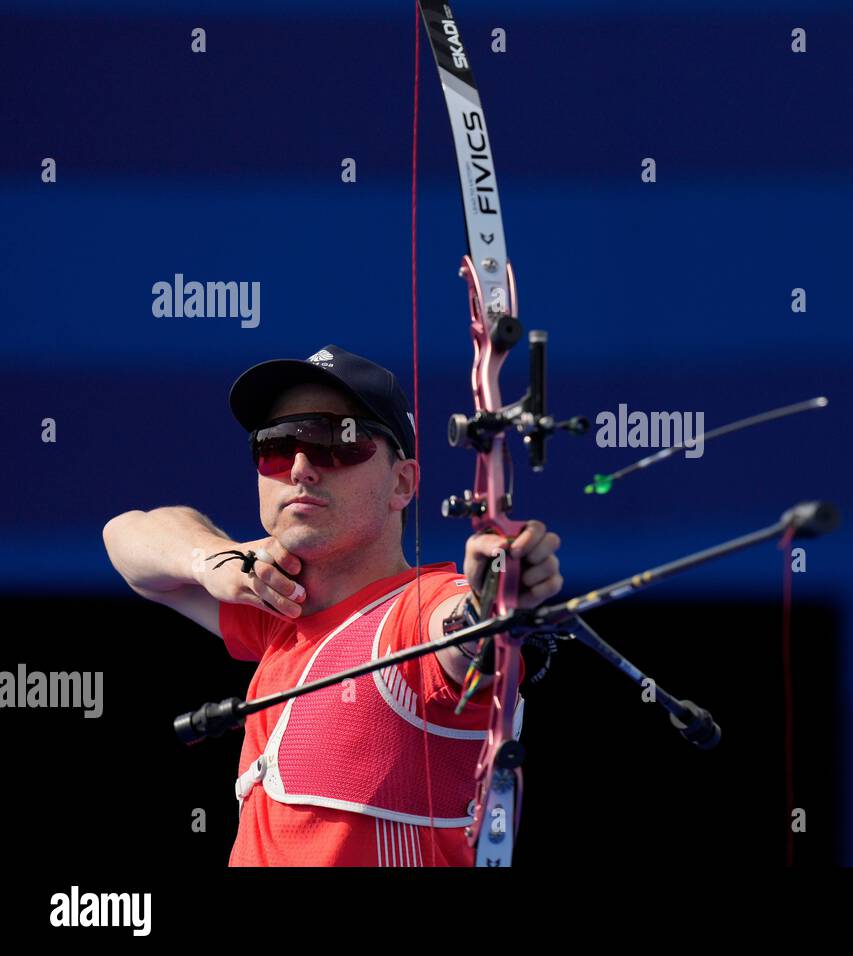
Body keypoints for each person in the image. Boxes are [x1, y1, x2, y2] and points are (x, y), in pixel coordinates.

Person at [102, 344, 562, 866]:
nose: (299, 468)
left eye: (337, 441)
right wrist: (215, 561)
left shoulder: (418, 613)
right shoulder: (279, 608)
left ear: (403, 482)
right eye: (276, 446)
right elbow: (126, 537)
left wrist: (492, 601)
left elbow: (464, 641)